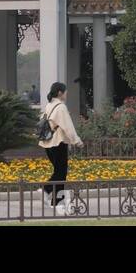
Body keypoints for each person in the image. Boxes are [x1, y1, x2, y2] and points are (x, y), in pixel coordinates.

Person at [38, 82, 83, 216]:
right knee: (61, 173)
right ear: (60, 93)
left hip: (48, 144)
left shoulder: (49, 105)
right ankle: (52, 198)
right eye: (65, 91)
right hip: (58, 143)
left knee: (58, 172)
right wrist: (77, 141)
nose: (66, 93)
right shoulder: (61, 107)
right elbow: (68, 127)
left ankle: (54, 199)